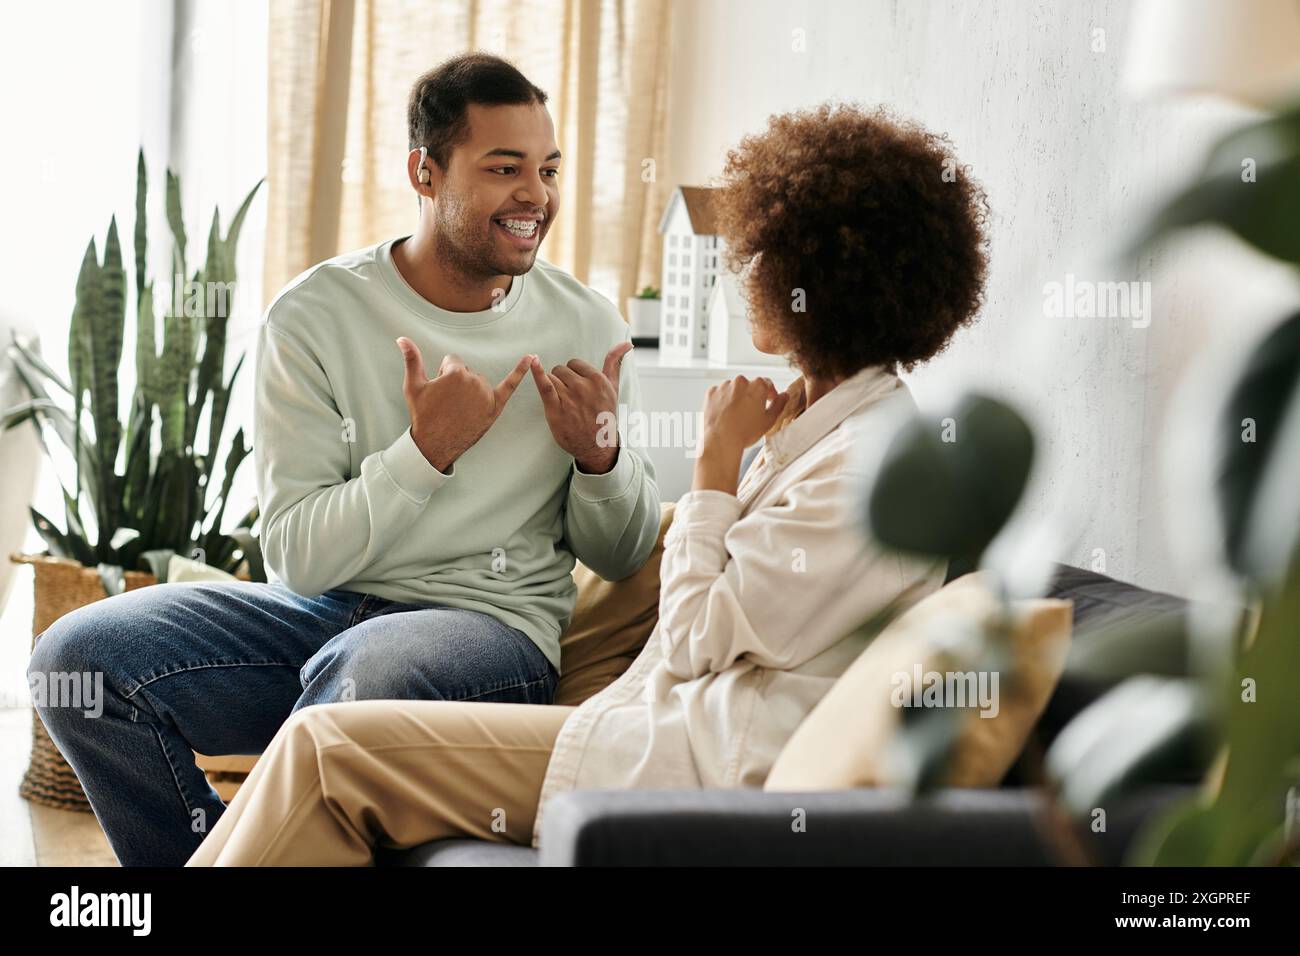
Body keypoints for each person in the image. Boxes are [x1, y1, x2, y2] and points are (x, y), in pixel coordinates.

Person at [184, 100, 991, 866]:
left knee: (331, 750)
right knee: (302, 739)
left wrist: (711, 468)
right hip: (644, 730)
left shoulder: (870, 469)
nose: (740, 274)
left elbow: (693, 638)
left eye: (758, 256)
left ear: (817, 282)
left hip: (688, 765)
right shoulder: (817, 434)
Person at [27, 52, 661, 867]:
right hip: (323, 617)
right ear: (425, 174)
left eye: (548, 169)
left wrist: (600, 459)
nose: (536, 196)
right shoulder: (315, 315)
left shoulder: (587, 323)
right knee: (74, 661)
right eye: (505, 169)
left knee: (366, 664)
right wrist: (425, 453)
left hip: (492, 637)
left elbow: (620, 553)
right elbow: (295, 555)